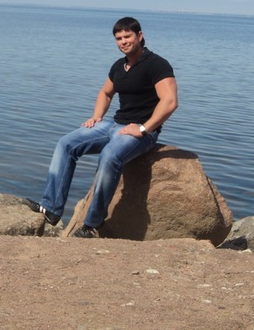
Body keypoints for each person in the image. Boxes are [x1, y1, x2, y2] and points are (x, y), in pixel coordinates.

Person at [24, 16, 178, 238]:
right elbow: (105, 93)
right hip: (113, 125)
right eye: (119, 38)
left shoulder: (157, 65)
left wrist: (144, 129)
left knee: (109, 156)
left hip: (140, 132)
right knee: (66, 144)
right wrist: (96, 117)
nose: (123, 41)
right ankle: (51, 209)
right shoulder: (119, 66)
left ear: (140, 36)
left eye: (127, 36)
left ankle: (91, 225)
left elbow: (170, 102)